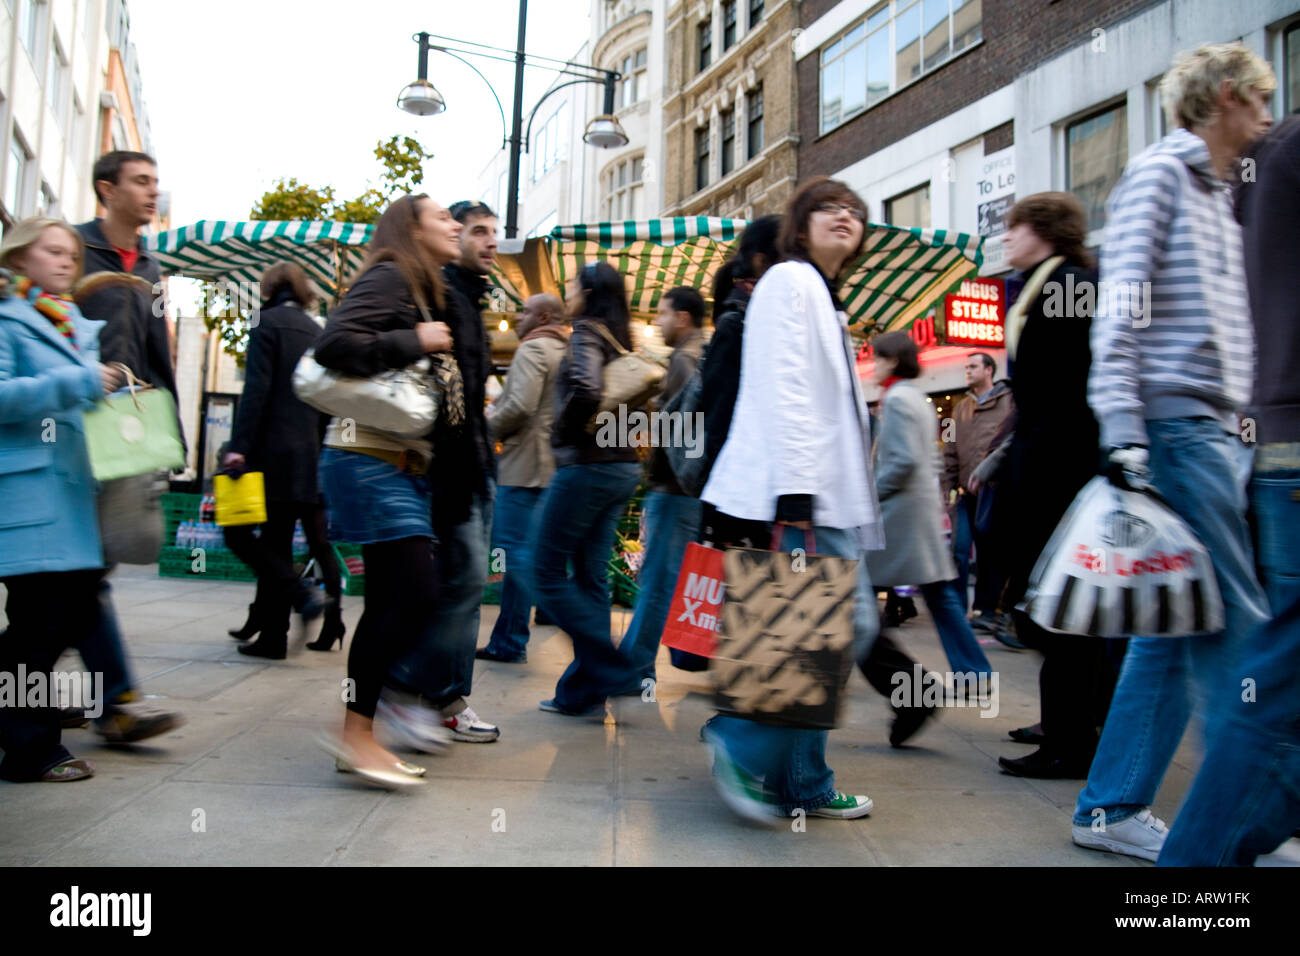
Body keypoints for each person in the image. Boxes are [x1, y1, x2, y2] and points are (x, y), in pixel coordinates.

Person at [1071, 43, 1275, 861]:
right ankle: (1248, 821)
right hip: (1178, 428)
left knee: (1176, 625)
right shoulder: (1160, 175)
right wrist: (1126, 434)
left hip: (1217, 430)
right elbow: (1118, 314)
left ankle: (1109, 806)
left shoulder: (1227, 195)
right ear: (1226, 97)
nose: (1267, 120)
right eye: (1260, 104)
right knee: (1242, 629)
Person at [698, 177, 882, 822]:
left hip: (826, 495)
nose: (844, 216)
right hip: (803, 494)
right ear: (799, 226)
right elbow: (785, 387)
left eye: (855, 211)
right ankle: (740, 739)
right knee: (834, 628)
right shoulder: (790, 281)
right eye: (829, 207)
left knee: (819, 631)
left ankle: (804, 781)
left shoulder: (824, 297)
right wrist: (796, 493)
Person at [1158, 115, 1300, 866]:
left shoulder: (1257, 168)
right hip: (1218, 434)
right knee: (1262, 668)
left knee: (1200, 632)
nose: (1263, 106)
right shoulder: (1181, 175)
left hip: (1254, 436)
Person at [312, 194, 462, 786]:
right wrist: (416, 341)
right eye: (443, 217)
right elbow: (334, 345)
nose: (452, 225)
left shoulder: (419, 285)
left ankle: (358, 733)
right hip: (364, 457)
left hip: (391, 463)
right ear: (411, 228)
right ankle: (355, 733)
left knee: (389, 605)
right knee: (415, 596)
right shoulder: (389, 274)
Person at [988, 192, 1122, 779]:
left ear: (1042, 230)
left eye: (1014, 228)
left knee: (1063, 609)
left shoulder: (1068, 284)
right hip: (1049, 468)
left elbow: (1071, 392)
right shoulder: (1042, 285)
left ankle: (1071, 742)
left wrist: (1035, 469)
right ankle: (1064, 725)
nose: (1006, 239)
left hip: (1062, 476)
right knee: (1053, 607)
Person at [0, 218, 124, 781]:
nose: (65, 260)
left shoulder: (73, 324)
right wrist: (77, 383)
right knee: (37, 624)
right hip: (26, 495)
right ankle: (31, 751)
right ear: (20, 257)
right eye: (52, 251)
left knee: (68, 612)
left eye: (71, 253)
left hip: (72, 493)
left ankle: (23, 718)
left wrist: (110, 386)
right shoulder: (8, 320)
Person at [65, 150, 181, 744]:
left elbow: (159, 350)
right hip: (72, 427)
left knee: (87, 568)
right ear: (106, 190)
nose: (152, 192)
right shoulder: (74, 249)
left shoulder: (154, 267)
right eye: (141, 182)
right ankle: (112, 701)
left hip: (128, 427)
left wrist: (172, 432)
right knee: (79, 570)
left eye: (155, 182)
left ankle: (72, 691)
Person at [384, 199, 501, 744]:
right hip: (450, 470)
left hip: (476, 467)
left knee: (467, 587)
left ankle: (447, 698)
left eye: (493, 231)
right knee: (460, 583)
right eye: (478, 231)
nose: (490, 241)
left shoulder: (471, 299)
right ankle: (406, 690)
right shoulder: (441, 295)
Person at [534, 262, 645, 716]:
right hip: (621, 468)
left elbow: (584, 388)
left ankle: (614, 668)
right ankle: (583, 691)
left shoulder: (586, 333)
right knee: (590, 577)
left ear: (588, 291)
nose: (568, 293)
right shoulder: (621, 338)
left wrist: (560, 433)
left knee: (539, 571)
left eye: (573, 285)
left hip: (588, 467)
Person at [221, 262, 345, 659]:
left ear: (270, 287)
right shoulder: (316, 330)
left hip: (267, 452)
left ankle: (297, 599)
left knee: (237, 534)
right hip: (305, 454)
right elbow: (327, 399)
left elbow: (256, 388)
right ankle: (274, 634)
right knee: (276, 544)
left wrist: (238, 445)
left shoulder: (266, 323)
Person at [866, 332, 993, 688]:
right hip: (916, 515)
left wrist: (873, 495)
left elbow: (902, 461)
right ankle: (975, 673)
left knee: (857, 593)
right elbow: (934, 459)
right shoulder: (916, 398)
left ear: (892, 360)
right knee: (940, 597)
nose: (873, 366)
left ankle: (858, 670)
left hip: (900, 517)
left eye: (877, 358)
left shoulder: (898, 400)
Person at [617, 286, 707, 689]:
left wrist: (666, 470)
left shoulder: (685, 360)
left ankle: (633, 669)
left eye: (664, 313)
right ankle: (643, 665)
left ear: (683, 317)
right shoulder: (701, 353)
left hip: (675, 489)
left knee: (657, 582)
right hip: (687, 489)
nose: (658, 322)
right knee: (668, 579)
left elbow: (685, 428)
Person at [476, 293, 569, 663]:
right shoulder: (565, 350)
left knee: (510, 551)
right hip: (551, 466)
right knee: (527, 551)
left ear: (544, 315)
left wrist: (485, 428)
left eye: (525, 311)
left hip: (523, 465)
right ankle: (514, 635)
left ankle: (514, 638)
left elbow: (519, 406)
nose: (517, 317)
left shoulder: (533, 350)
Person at [942, 352, 1013, 629]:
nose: (967, 371)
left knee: (989, 553)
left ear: (989, 370)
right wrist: (946, 487)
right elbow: (949, 449)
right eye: (966, 367)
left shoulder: (1008, 401)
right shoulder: (959, 408)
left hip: (994, 491)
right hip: (963, 493)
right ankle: (957, 611)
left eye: (973, 366)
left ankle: (985, 610)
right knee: (958, 551)